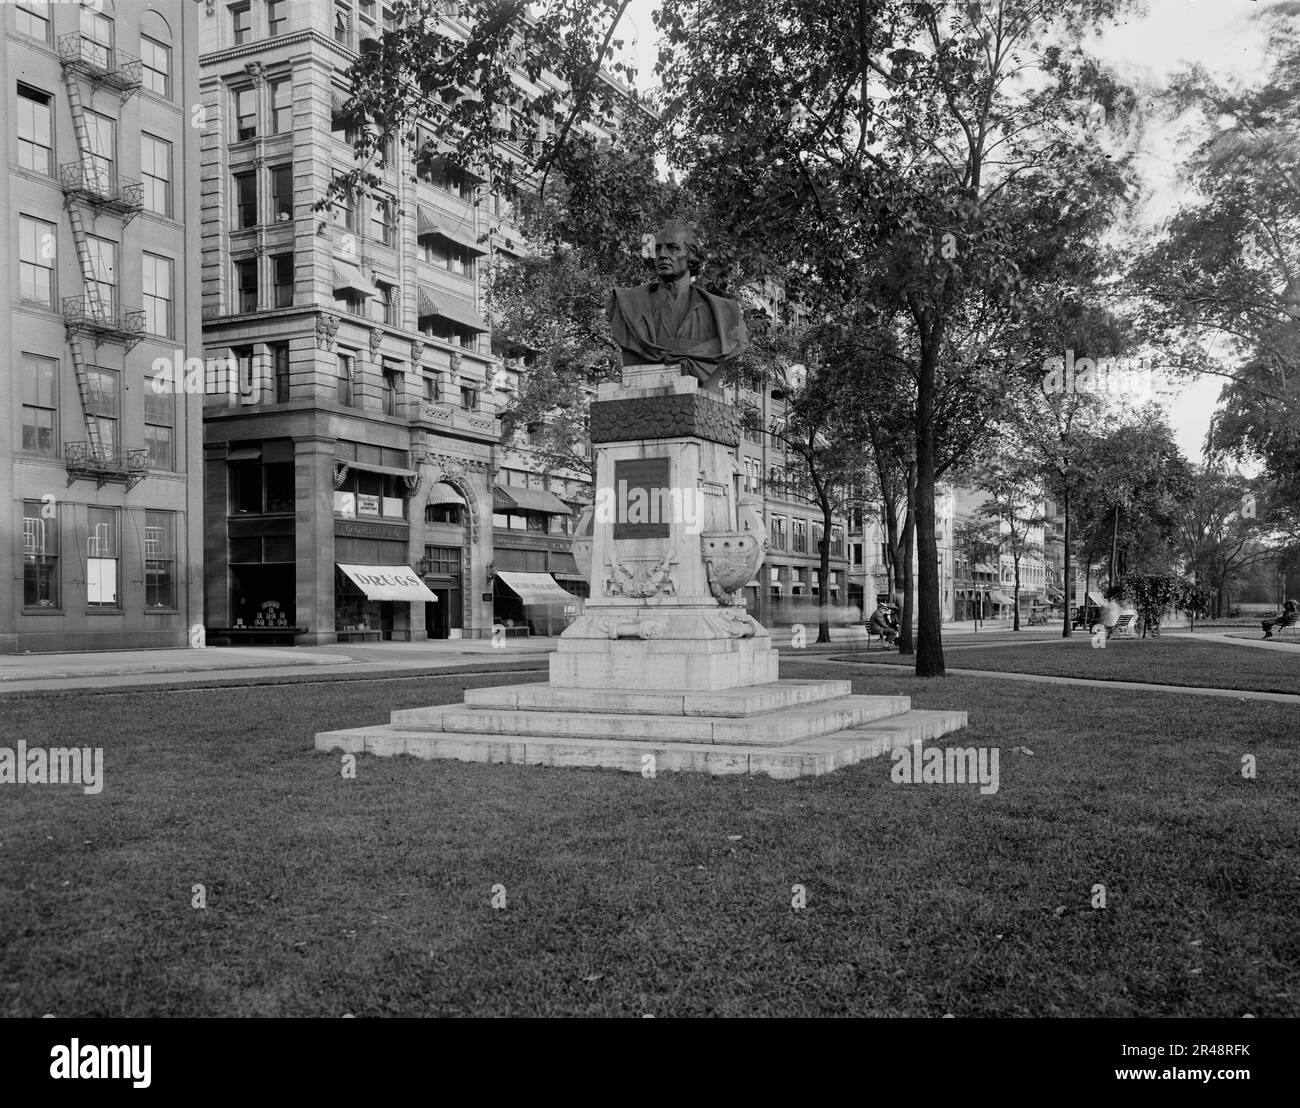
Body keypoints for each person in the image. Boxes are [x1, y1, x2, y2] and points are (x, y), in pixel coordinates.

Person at [606, 219, 749, 388]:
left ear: (691, 256)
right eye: (658, 249)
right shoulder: (626, 305)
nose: (663, 255)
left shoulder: (726, 315)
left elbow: (734, 343)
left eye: (673, 248)